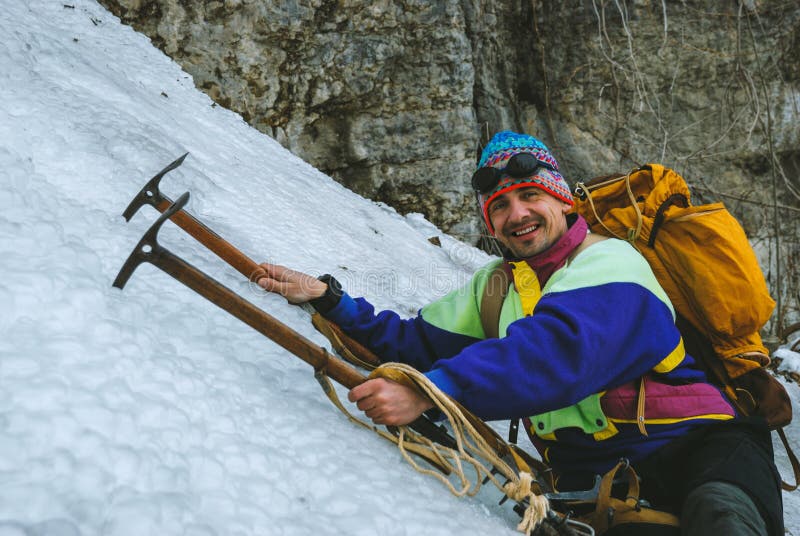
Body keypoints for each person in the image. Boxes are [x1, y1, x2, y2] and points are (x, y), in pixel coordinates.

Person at [258, 131, 783, 535]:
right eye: (501, 206)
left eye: (531, 195)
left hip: (704, 451)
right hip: (600, 481)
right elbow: (411, 343)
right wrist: (330, 299)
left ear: (562, 202)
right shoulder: (495, 288)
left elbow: (557, 354)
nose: (518, 214)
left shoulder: (611, 262)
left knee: (724, 517)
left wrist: (427, 390)